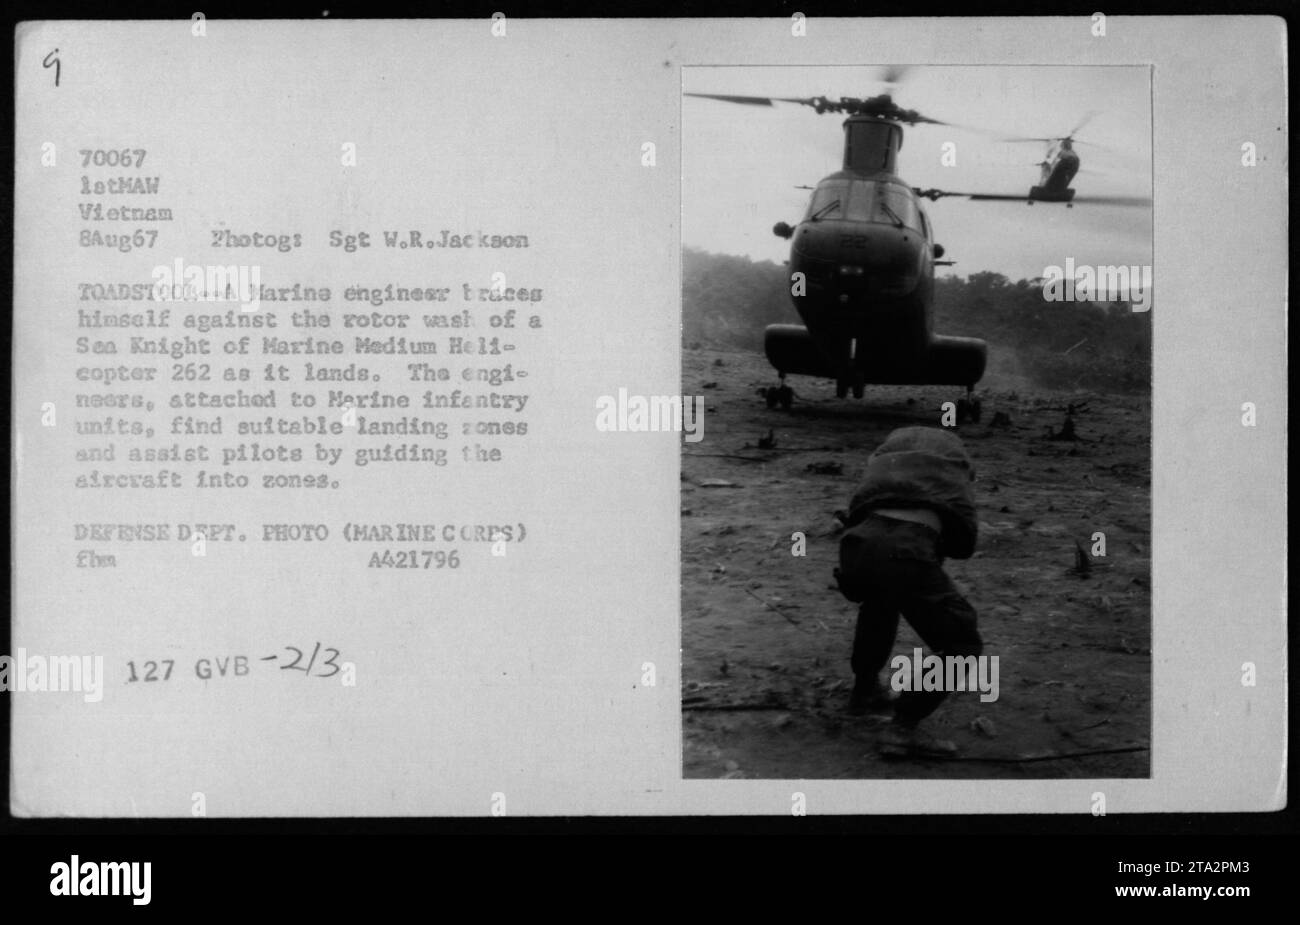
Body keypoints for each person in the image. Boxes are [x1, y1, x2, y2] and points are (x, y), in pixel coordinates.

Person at [833, 426, 982, 757]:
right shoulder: (952, 482)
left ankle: (865, 692)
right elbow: (963, 547)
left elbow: (855, 513)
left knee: (879, 603)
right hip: (906, 550)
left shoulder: (880, 475)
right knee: (963, 644)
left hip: (856, 546)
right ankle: (903, 728)